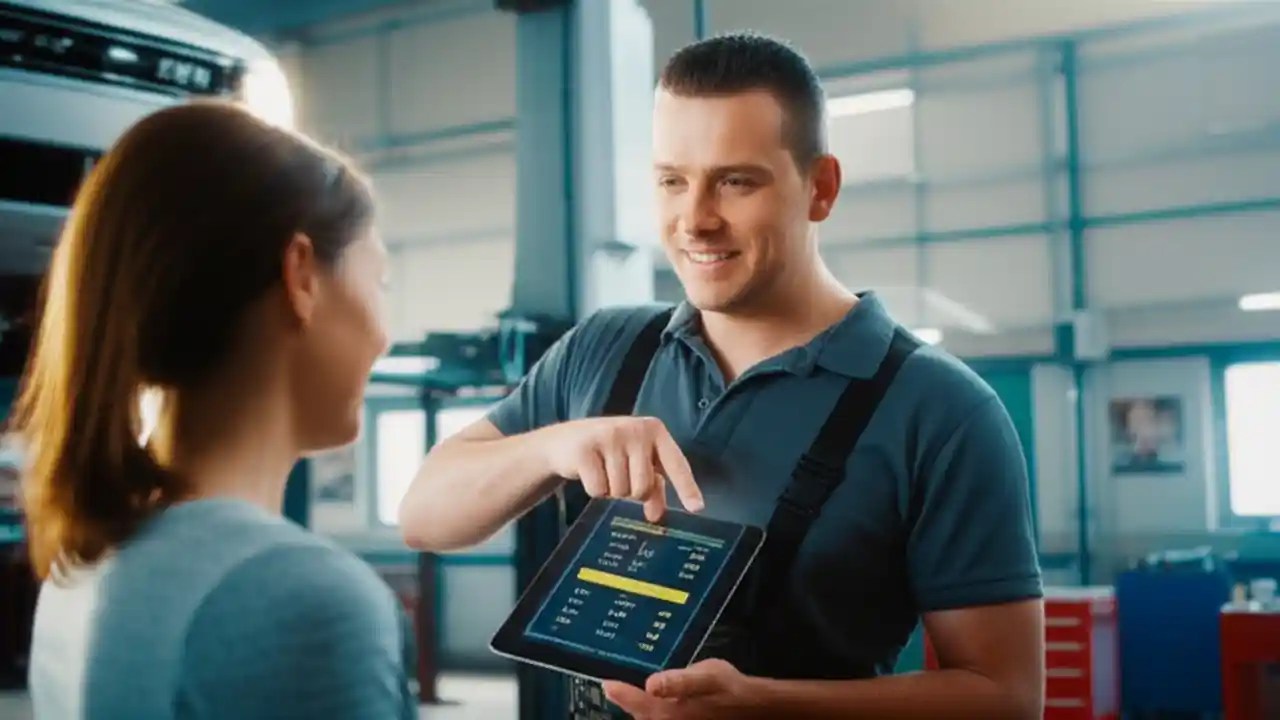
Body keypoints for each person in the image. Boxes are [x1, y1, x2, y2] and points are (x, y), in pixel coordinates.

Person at [400, 32, 1044, 720]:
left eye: (735, 181)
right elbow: (424, 516)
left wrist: (768, 709)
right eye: (673, 180)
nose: (696, 220)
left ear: (820, 188)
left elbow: (1006, 697)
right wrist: (552, 445)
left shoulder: (939, 410)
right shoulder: (604, 349)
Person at [13, 101, 416, 719]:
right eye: (380, 284)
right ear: (302, 275)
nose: (385, 335)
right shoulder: (295, 592)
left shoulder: (83, 565)